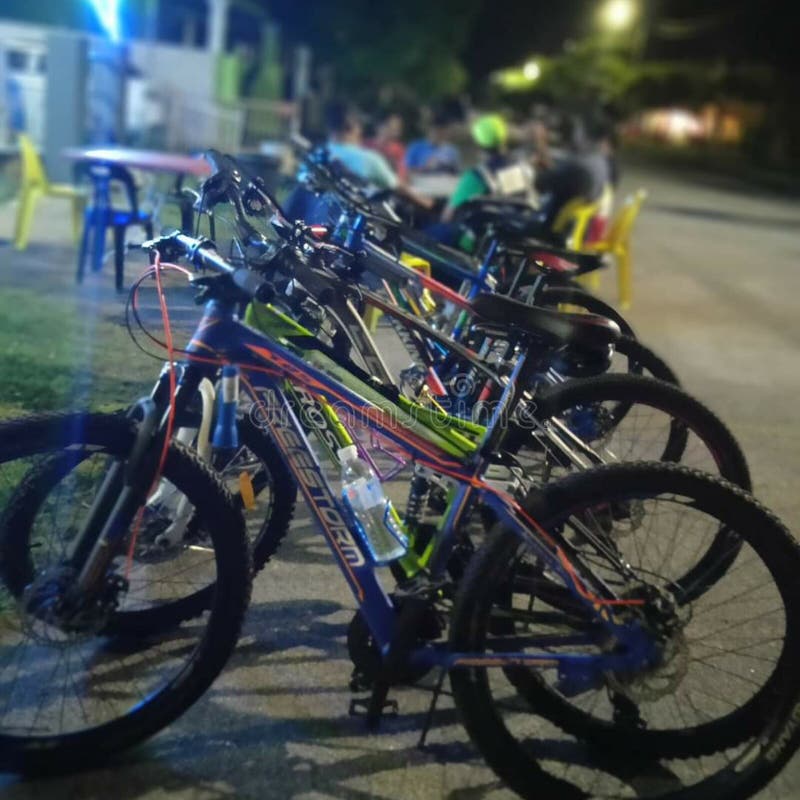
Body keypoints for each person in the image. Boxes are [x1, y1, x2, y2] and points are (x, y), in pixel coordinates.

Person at [533, 115, 614, 229]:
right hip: (573, 227)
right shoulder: (599, 161)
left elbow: (540, 183)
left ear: (584, 135)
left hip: (549, 229)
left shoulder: (579, 167)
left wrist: (540, 143)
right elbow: (559, 177)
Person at [405, 108, 460, 175]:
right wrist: (425, 168)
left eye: (441, 130)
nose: (437, 134)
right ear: (429, 129)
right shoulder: (416, 147)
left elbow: (457, 173)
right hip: (421, 183)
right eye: (435, 130)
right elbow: (407, 171)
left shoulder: (451, 151)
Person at [366, 110, 407, 181]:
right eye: (393, 126)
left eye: (399, 126)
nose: (397, 130)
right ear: (380, 126)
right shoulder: (366, 145)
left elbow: (402, 174)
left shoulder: (398, 149)